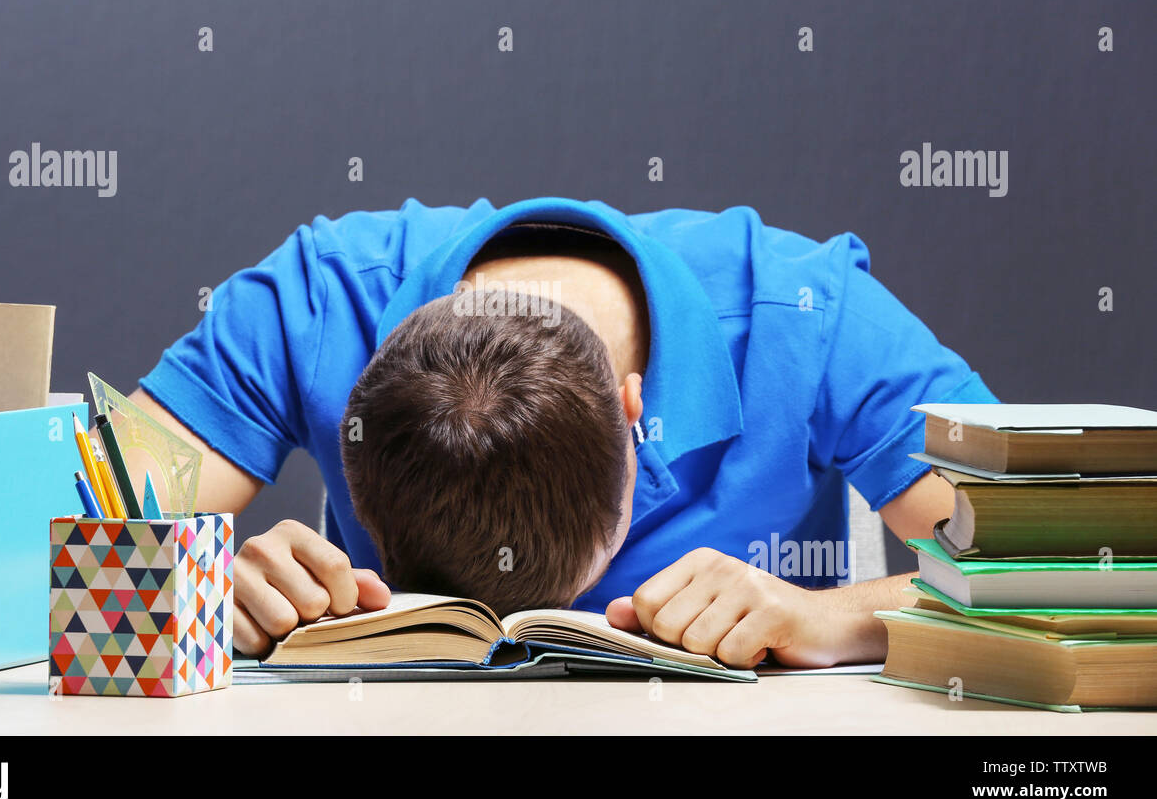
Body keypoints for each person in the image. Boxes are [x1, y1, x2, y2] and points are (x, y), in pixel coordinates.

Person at [128, 196, 998, 668]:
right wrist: (195, 586)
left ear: (634, 417)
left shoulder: (809, 315)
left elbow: (1082, 573)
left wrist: (833, 619)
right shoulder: (315, 303)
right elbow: (33, 553)